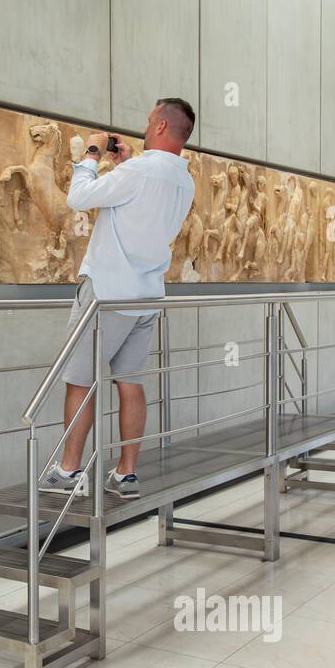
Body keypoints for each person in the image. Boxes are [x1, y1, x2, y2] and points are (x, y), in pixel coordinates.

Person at [38, 98, 196, 500]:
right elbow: (140, 198)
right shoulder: (184, 181)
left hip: (106, 293)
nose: (144, 128)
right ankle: (125, 474)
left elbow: (79, 197)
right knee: (129, 383)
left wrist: (92, 153)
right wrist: (126, 161)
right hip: (146, 296)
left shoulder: (140, 171)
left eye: (148, 121)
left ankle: (70, 470)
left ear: (161, 125)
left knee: (80, 380)